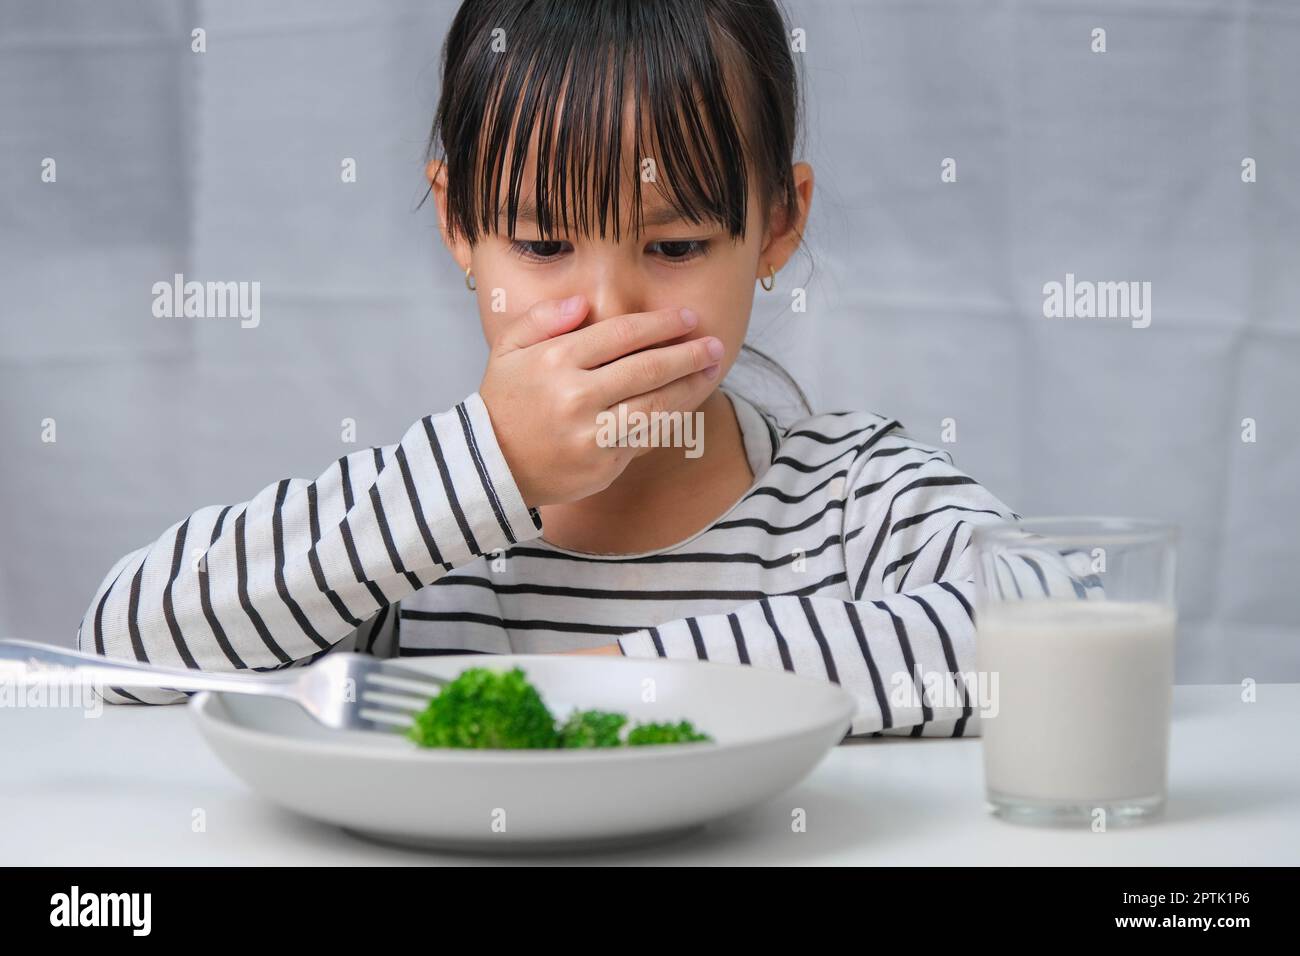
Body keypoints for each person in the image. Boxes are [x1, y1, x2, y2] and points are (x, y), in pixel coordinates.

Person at [80, 0, 1082, 736]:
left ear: (777, 224)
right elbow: (120, 656)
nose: (607, 309)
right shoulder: (411, 528)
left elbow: (1062, 638)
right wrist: (485, 471)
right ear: (459, 222)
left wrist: (613, 686)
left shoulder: (850, 500)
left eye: (677, 246)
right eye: (544, 243)